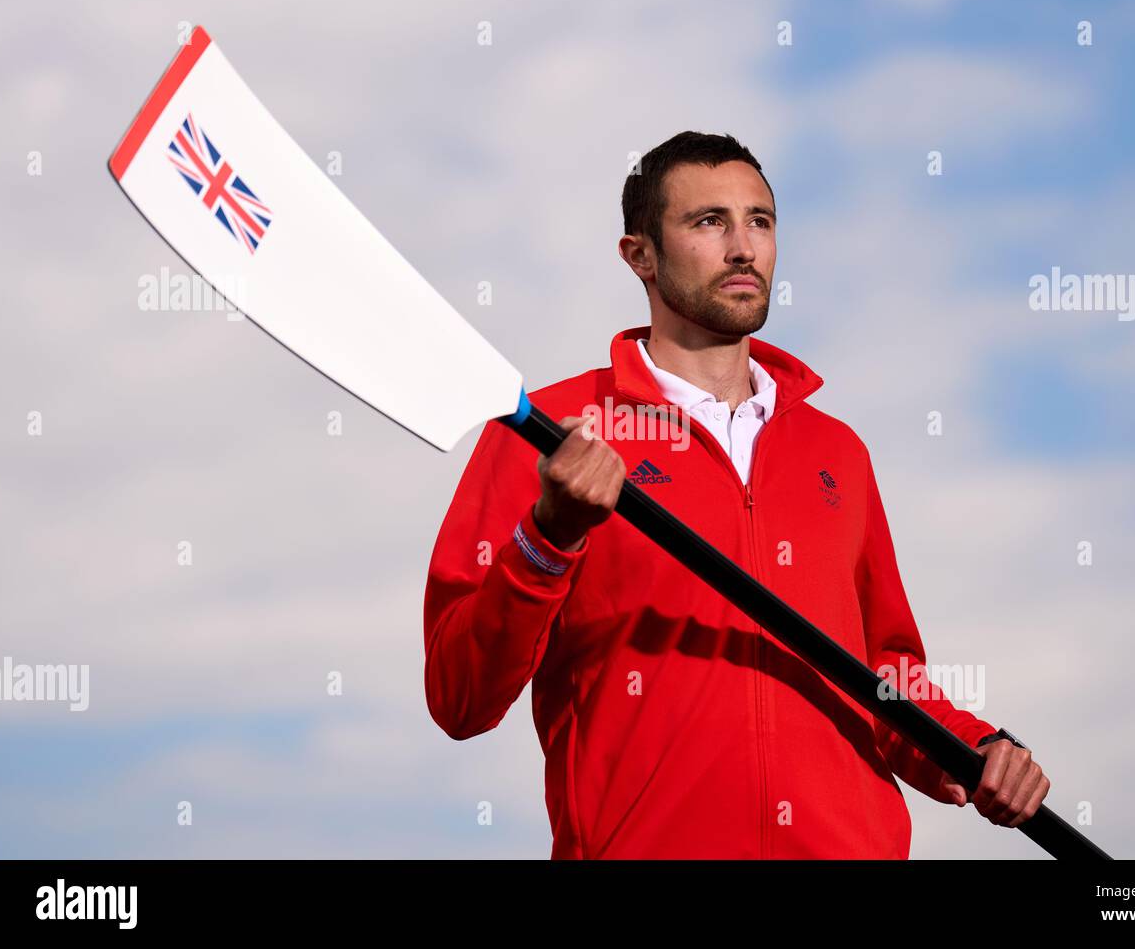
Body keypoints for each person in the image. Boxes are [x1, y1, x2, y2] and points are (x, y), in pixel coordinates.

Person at [423, 131, 1050, 858]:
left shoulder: (835, 452)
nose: (744, 247)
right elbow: (459, 695)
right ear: (641, 256)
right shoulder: (551, 435)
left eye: (760, 220)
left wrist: (977, 751)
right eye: (708, 222)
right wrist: (548, 539)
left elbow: (887, 680)